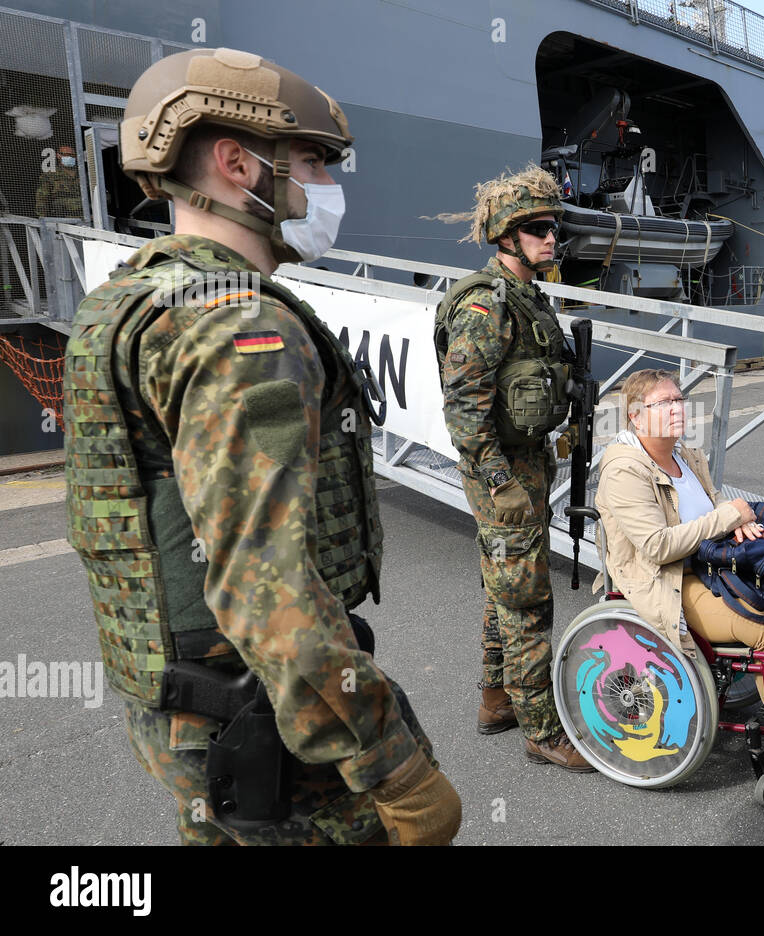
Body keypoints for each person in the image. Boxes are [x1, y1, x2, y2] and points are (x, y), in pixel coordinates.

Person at [63, 47, 460, 845]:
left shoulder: (123, 302)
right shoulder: (240, 325)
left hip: (180, 710)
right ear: (238, 164)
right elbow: (262, 586)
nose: (327, 186)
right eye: (312, 161)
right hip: (269, 718)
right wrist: (393, 766)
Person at [594, 369, 764, 789]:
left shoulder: (686, 457)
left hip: (711, 564)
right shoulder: (623, 472)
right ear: (636, 417)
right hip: (668, 579)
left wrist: (738, 524)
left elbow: (712, 506)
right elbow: (656, 546)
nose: (677, 409)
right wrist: (726, 517)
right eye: (664, 404)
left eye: (678, 400)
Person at [435, 166, 594, 771]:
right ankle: (543, 731)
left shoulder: (528, 297)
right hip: (503, 474)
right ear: (505, 236)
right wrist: (499, 482)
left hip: (525, 463)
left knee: (504, 587)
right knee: (527, 600)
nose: (550, 239)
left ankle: (497, 700)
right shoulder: (485, 306)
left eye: (552, 228)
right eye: (535, 229)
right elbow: (463, 407)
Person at [35, 144, 82, 218]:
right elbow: (42, 199)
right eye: (66, 154)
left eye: (73, 155)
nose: (70, 157)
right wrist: (43, 219)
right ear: (58, 156)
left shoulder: (84, 174)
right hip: (61, 219)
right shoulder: (49, 175)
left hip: (84, 218)